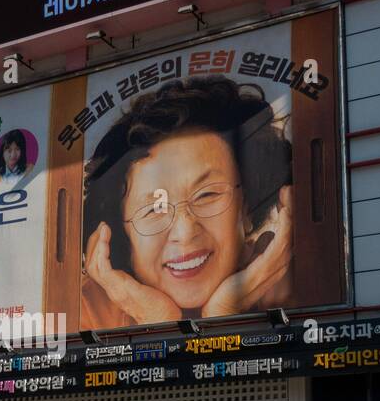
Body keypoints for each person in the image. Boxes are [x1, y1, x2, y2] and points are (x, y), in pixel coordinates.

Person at [81, 77, 294, 330]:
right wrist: (159, 322)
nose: (185, 233)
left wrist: (224, 313)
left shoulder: (303, 278)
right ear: (119, 231)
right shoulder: (84, 307)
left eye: (206, 195)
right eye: (155, 208)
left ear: (246, 205)